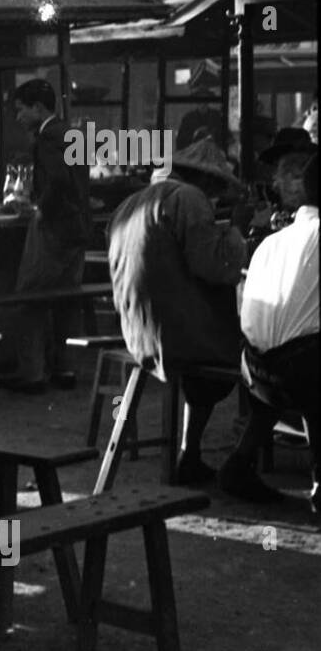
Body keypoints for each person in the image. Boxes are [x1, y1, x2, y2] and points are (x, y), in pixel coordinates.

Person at [108, 137, 253, 485]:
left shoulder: (131, 203)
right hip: (173, 331)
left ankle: (192, 454)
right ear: (204, 180)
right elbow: (214, 267)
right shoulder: (188, 198)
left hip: (137, 327)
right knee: (257, 356)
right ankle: (242, 462)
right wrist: (237, 228)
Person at [219, 150, 319, 506]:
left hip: (256, 372)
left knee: (289, 350)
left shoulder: (270, 242)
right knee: (305, 358)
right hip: (301, 373)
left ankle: (240, 461)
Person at [0, 79, 92, 394]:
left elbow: (57, 180)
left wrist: (40, 209)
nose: (18, 117)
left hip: (53, 228)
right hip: (77, 229)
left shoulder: (47, 138)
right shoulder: (73, 134)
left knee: (30, 298)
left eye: (21, 110)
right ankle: (65, 369)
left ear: (39, 108)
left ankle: (33, 374)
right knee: (67, 300)